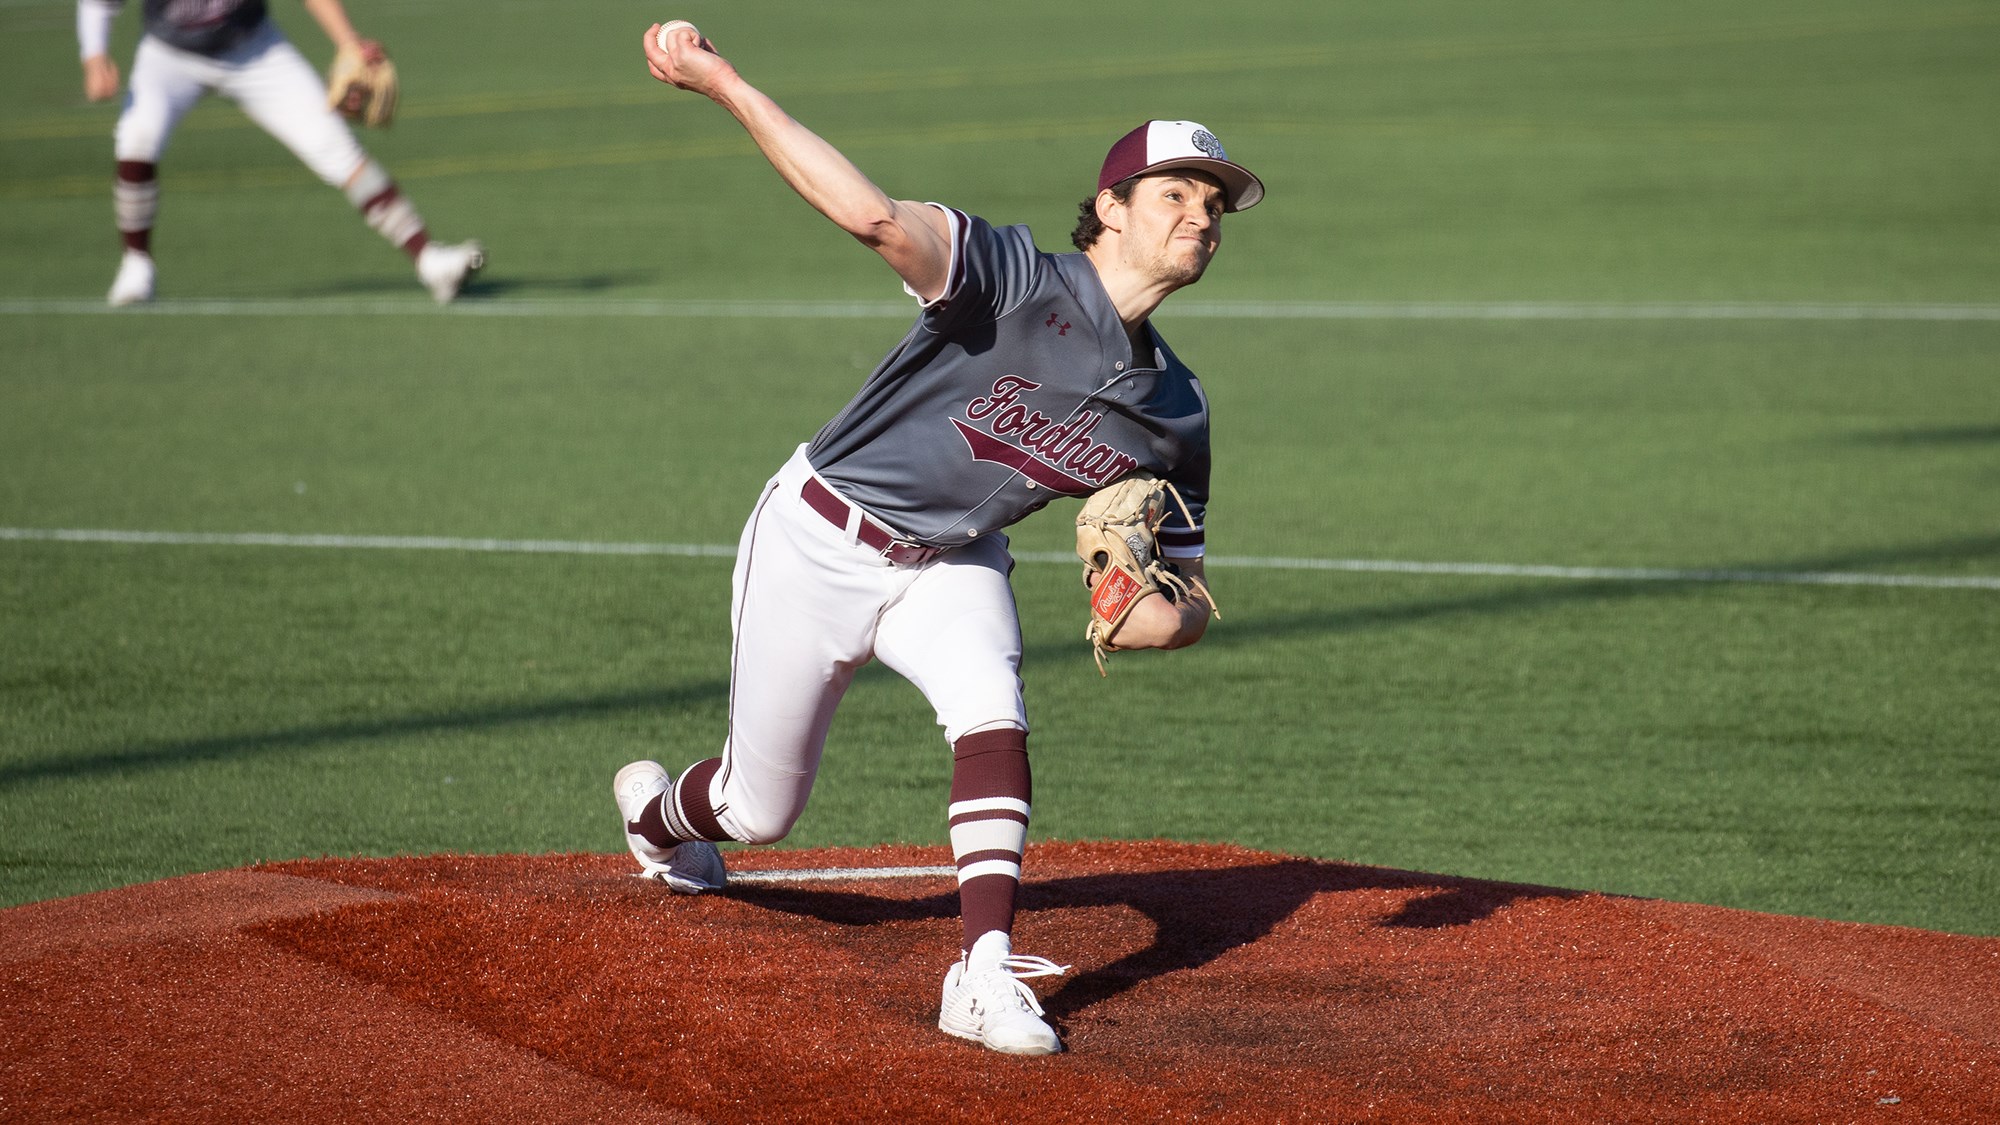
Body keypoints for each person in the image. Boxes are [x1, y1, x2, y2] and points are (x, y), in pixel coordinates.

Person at [614, 21, 1263, 1056]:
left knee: (992, 712)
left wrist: (1140, 607)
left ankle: (982, 971)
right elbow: (873, 217)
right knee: (756, 809)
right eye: (1175, 193)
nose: (1200, 216)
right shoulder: (1011, 275)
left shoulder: (1174, 412)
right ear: (1109, 207)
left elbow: (1183, 600)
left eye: (1214, 205)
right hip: (819, 538)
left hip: (953, 563)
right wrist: (721, 81)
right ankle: (657, 818)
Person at [76, 0, 484, 306]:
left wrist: (349, 42)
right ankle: (136, 265)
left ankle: (429, 260)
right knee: (137, 137)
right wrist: (95, 57)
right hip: (170, 55)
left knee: (335, 146)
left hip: (253, 48)